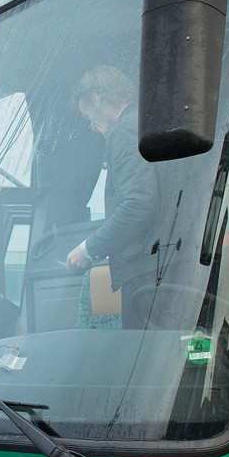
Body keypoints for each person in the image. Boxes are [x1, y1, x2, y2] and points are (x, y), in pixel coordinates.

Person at [65, 65, 162, 327]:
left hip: (145, 275)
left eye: (89, 116)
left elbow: (139, 204)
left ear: (97, 99)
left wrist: (90, 248)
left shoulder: (124, 130)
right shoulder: (147, 121)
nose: (93, 127)